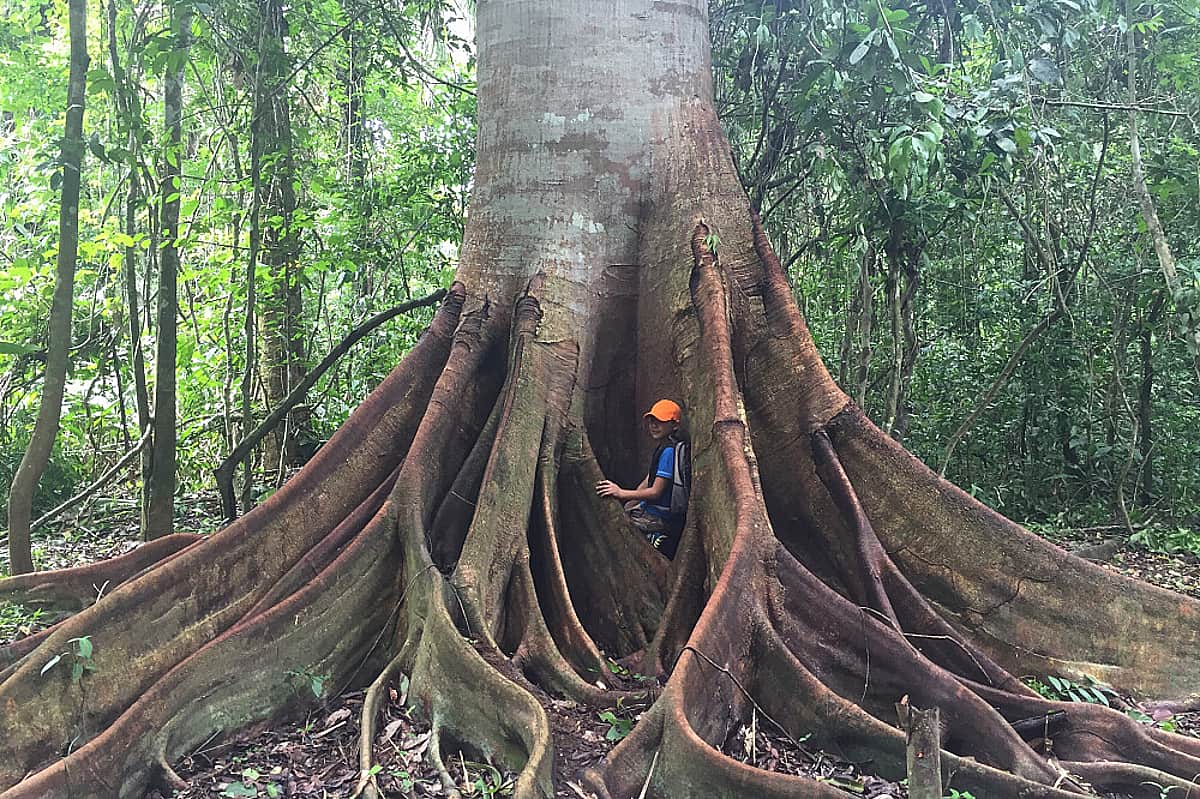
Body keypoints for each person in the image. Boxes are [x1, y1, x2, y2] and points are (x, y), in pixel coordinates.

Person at [596, 399, 688, 557]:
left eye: (660, 421)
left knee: (613, 529)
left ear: (675, 425)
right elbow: (648, 481)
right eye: (652, 421)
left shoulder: (669, 453)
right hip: (649, 511)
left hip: (658, 518)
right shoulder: (663, 447)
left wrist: (621, 493)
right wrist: (630, 502)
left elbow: (655, 492)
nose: (654, 425)